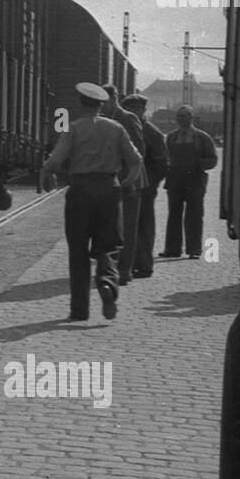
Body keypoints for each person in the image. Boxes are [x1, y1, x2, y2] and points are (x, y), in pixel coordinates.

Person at [40, 82, 142, 321]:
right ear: (101, 104)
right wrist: (126, 183)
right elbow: (136, 161)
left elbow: (56, 159)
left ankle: (79, 310)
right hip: (109, 189)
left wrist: (47, 174)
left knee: (78, 251)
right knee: (107, 246)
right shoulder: (116, 128)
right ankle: (107, 285)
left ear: (81, 103)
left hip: (81, 191)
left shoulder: (73, 128)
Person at [101, 84, 148, 286]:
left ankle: (125, 271)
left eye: (105, 101)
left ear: (114, 99)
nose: (102, 105)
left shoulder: (128, 118)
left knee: (128, 227)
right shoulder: (105, 120)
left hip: (130, 180)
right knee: (114, 228)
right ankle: (113, 268)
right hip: (112, 180)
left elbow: (139, 150)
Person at [161, 104, 218, 259]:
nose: (182, 119)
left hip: (195, 179)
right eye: (179, 117)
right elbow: (165, 157)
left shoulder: (202, 137)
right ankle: (172, 249)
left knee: (194, 214)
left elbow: (213, 159)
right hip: (175, 180)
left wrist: (198, 163)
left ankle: (194, 249)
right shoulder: (171, 137)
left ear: (192, 118)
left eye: (185, 116)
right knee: (173, 214)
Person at [121, 93, 168, 278]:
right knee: (127, 227)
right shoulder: (123, 129)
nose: (133, 112)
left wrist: (150, 185)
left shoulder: (152, 133)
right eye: (129, 109)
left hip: (145, 187)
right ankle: (128, 264)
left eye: (137, 109)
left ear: (143, 110)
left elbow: (162, 163)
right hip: (127, 185)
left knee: (144, 226)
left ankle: (145, 265)